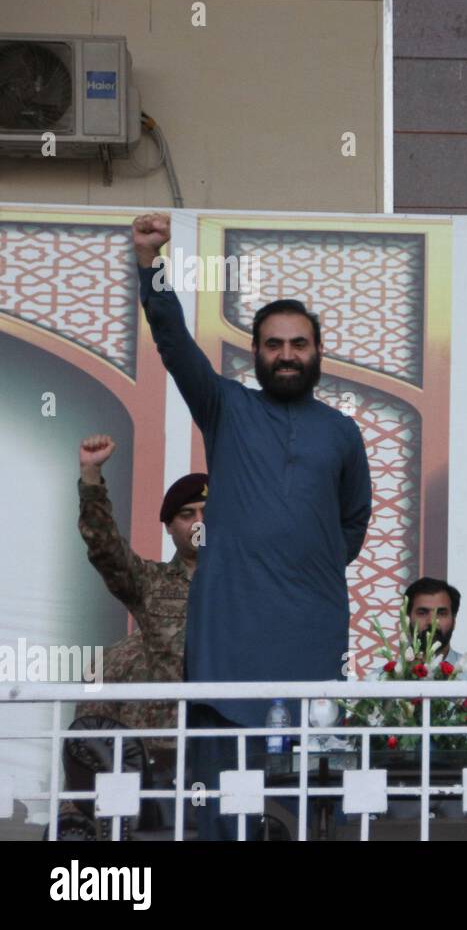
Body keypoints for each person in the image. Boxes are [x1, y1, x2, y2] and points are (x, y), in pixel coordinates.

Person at [132, 212, 373, 840]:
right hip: (230, 631)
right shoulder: (226, 407)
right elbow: (174, 342)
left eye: (299, 344)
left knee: (308, 788)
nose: (287, 355)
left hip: (310, 629)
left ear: (318, 352)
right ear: (256, 353)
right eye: (274, 344)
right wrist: (151, 266)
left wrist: (303, 564)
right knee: (220, 795)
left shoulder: (342, 432)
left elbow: (352, 523)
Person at [75, 433, 205, 742]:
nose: (200, 522)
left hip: (230, 740)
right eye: (188, 515)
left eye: (208, 512)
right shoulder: (151, 581)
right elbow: (107, 551)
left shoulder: (247, 584)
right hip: (165, 743)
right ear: (169, 527)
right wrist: (91, 477)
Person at [401, 577, 467, 739]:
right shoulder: (383, 678)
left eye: (441, 613)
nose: (432, 622)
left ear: (454, 620)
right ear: (407, 619)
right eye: (422, 613)